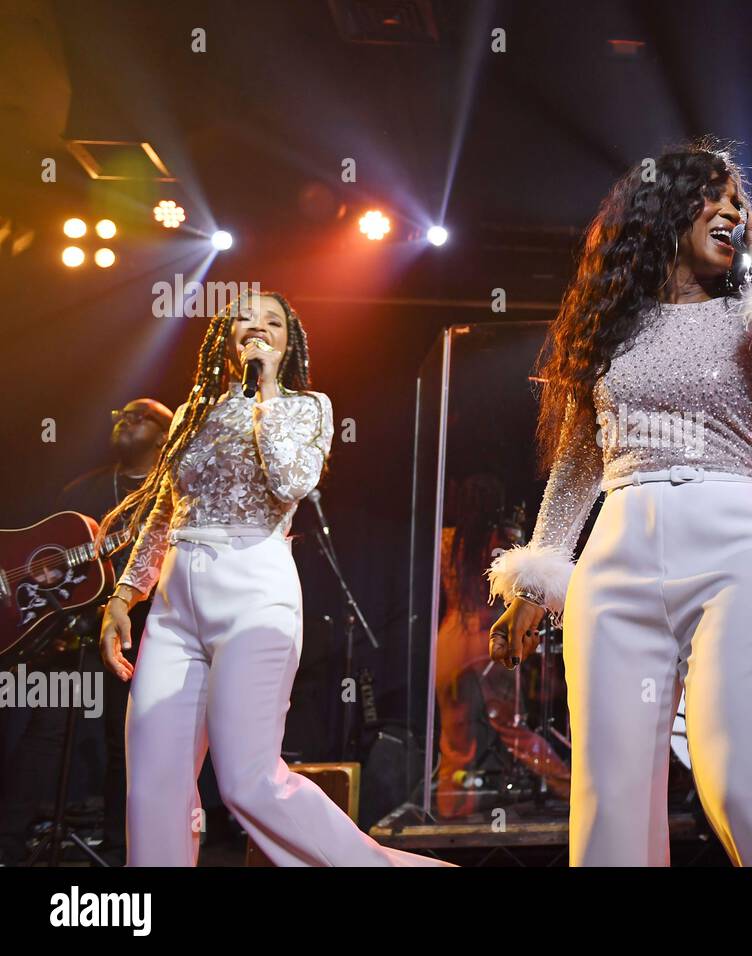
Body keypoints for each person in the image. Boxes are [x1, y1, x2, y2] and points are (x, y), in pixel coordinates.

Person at [487, 141, 752, 866]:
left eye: (736, 202)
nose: (731, 211)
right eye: (711, 197)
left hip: (735, 547)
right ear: (662, 211)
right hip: (617, 552)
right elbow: (580, 459)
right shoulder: (607, 328)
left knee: (748, 786)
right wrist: (536, 576)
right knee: (610, 800)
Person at [97, 291, 447, 867]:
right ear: (222, 337)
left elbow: (290, 483)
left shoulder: (307, 406)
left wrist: (265, 393)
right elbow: (165, 507)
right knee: (154, 783)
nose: (257, 327)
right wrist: (124, 593)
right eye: (244, 318)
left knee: (247, 780)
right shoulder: (192, 412)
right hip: (174, 600)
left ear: (289, 342)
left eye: (273, 322)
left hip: (253, 591)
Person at [0, 399, 171, 866]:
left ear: (165, 432)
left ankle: (122, 852)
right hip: (67, 630)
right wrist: (50, 595)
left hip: (134, 631)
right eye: (120, 415)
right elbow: (38, 556)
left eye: (140, 416)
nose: (125, 420)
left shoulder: (175, 494)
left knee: (125, 740)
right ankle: (7, 848)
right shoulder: (83, 489)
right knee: (44, 734)